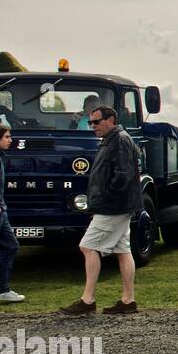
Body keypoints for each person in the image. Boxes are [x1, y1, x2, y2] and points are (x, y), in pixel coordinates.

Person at [61, 106, 143, 316]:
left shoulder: (119, 141)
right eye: (91, 123)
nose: (93, 126)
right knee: (122, 250)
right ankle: (128, 300)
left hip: (113, 207)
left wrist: (103, 200)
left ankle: (88, 300)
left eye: (96, 122)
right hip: (119, 205)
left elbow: (122, 175)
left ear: (111, 120)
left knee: (87, 247)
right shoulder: (114, 139)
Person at [0, 124, 24, 304]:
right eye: (7, 137)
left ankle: (3, 290)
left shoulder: (0, 157)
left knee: (11, 246)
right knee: (10, 246)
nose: (10, 140)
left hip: (2, 210)